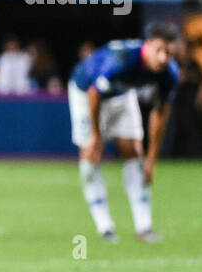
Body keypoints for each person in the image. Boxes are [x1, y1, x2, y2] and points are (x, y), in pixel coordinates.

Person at [68, 24, 180, 244]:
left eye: (168, 52)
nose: (163, 57)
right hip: (85, 94)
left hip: (121, 95)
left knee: (134, 151)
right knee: (89, 156)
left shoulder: (170, 73)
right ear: (147, 46)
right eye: (159, 49)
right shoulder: (122, 59)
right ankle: (105, 227)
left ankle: (144, 227)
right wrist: (97, 137)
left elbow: (160, 114)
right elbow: (94, 93)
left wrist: (151, 159)